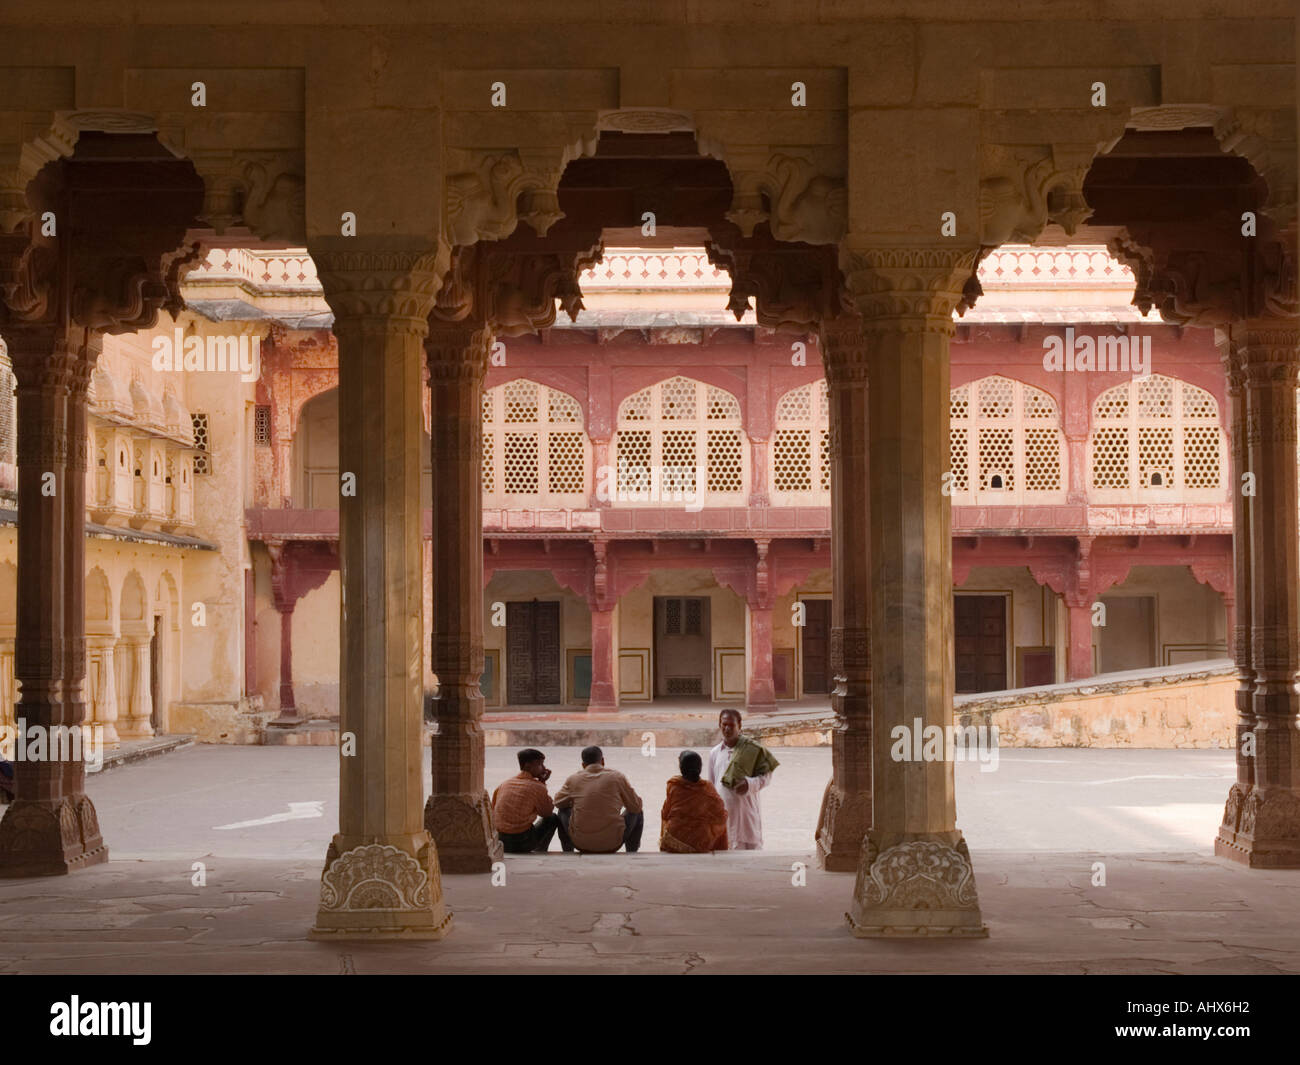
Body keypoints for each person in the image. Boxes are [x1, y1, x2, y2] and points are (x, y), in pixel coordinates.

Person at [707, 709, 779, 850]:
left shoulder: (752, 750)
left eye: (731, 725)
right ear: (719, 725)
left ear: (739, 726)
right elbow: (711, 785)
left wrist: (749, 784)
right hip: (724, 815)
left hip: (746, 813)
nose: (727, 729)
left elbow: (766, 777)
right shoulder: (714, 753)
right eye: (724, 724)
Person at [554, 746, 644, 853]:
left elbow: (557, 802)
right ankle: (632, 853)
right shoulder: (617, 777)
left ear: (583, 765)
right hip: (612, 844)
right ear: (603, 761)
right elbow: (636, 806)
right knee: (637, 812)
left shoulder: (573, 779)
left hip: (581, 844)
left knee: (562, 810)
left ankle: (567, 852)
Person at [491, 748, 573, 853]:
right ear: (527, 766)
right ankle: (540, 850)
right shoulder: (537, 787)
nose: (544, 768)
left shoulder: (505, 784)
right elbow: (546, 812)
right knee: (552, 818)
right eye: (540, 764)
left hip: (501, 841)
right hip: (522, 842)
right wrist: (542, 783)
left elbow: (492, 808)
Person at [660, 750, 728, 853]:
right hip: (701, 841)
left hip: (674, 839)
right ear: (700, 768)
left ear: (681, 768)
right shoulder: (708, 788)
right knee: (718, 825)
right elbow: (721, 816)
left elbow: (665, 813)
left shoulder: (674, 786)